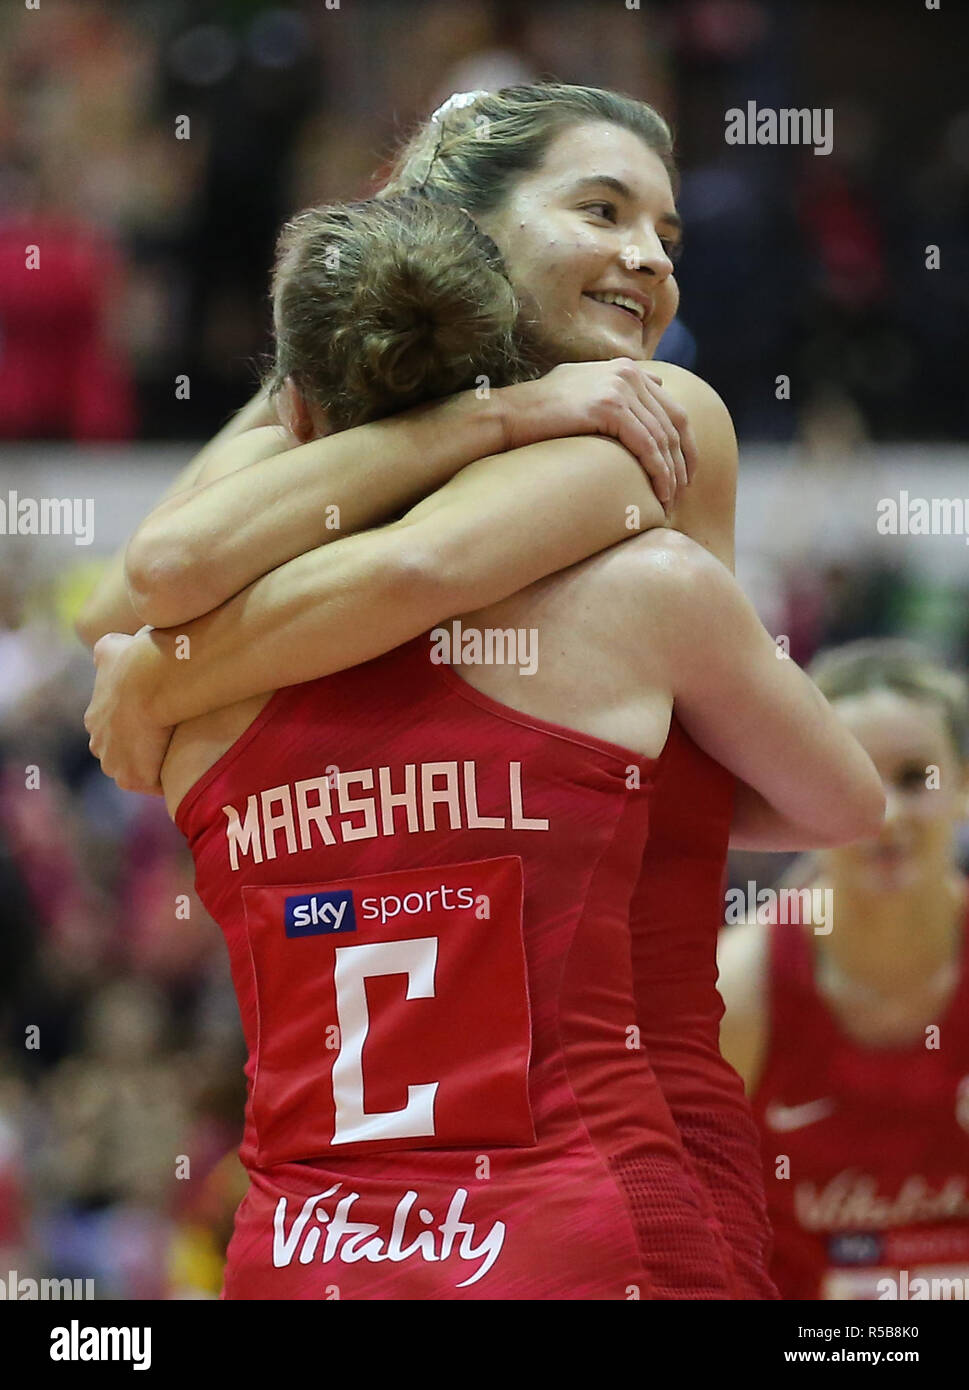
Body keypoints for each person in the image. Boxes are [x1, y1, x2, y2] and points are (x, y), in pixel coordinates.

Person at [82, 83, 884, 1297]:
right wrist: (493, 406)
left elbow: (386, 573)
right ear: (467, 226)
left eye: (669, 236)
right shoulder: (439, 423)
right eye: (602, 208)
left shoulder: (655, 412)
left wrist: (157, 678)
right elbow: (153, 575)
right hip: (570, 1193)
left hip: (360, 1220)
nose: (647, 258)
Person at [717, 639, 969, 1300]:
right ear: (797, 795)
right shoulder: (738, 991)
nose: (885, 814)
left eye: (914, 778)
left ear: (963, 788)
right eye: (853, 776)